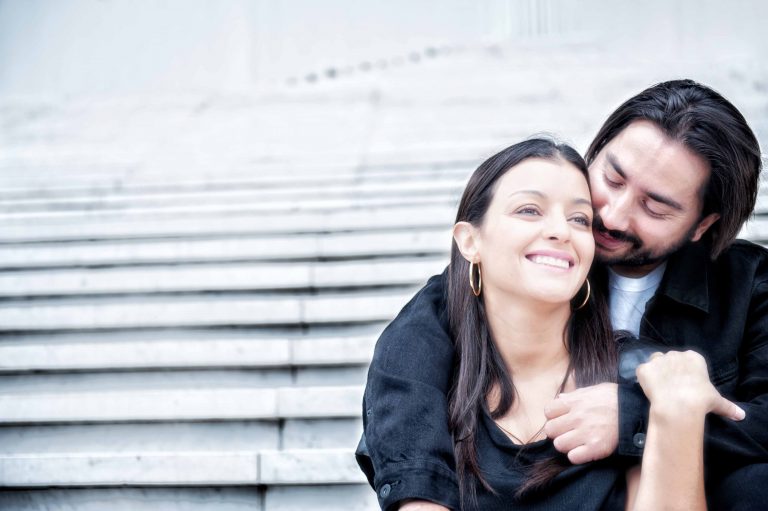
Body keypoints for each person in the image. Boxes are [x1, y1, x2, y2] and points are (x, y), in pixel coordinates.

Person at [356, 79, 767, 510]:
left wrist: (634, 418)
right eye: (612, 178)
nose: (612, 213)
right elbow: (408, 370)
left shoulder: (751, 288)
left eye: (655, 207)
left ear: (702, 225)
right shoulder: (536, 262)